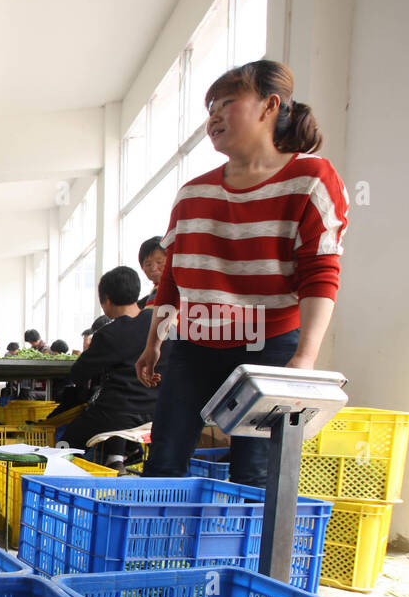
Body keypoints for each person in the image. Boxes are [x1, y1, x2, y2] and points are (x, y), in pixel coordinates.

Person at [137, 59, 348, 488]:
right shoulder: (192, 193)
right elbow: (174, 278)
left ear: (270, 106)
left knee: (254, 471)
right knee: (164, 460)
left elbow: (320, 270)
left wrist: (303, 360)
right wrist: (152, 343)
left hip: (270, 347)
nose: (213, 115)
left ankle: (245, 556)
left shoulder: (310, 179)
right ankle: (156, 556)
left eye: (227, 102)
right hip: (194, 344)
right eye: (210, 106)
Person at [58, 267, 162, 471]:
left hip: (116, 414)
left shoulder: (109, 334)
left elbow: (78, 374)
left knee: (64, 446)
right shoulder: (160, 326)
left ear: (106, 300)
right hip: (157, 412)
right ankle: (117, 458)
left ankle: (59, 469)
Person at [137, 236, 166, 308]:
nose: (154, 268)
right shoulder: (154, 292)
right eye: (148, 264)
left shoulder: (172, 292)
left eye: (159, 262)